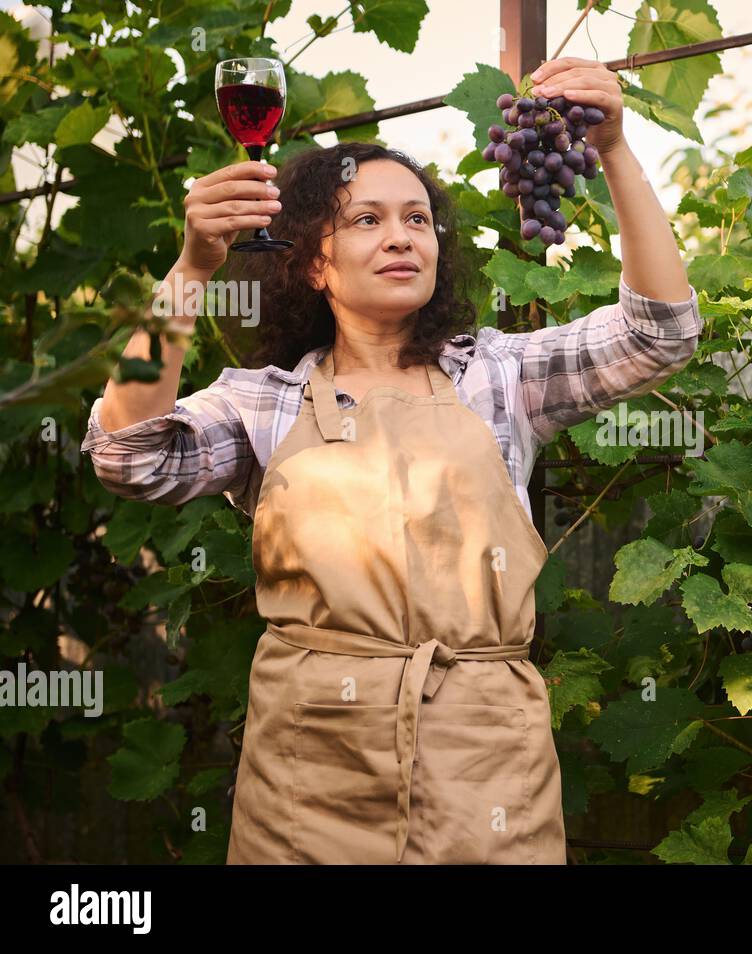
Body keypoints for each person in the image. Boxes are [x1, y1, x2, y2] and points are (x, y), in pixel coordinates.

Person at [79, 58, 701, 864]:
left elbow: (661, 333)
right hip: (309, 773)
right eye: (366, 220)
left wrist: (614, 148)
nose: (402, 235)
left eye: (416, 218)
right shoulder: (264, 402)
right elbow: (130, 459)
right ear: (311, 260)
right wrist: (193, 269)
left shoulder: (499, 377)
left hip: (483, 765)